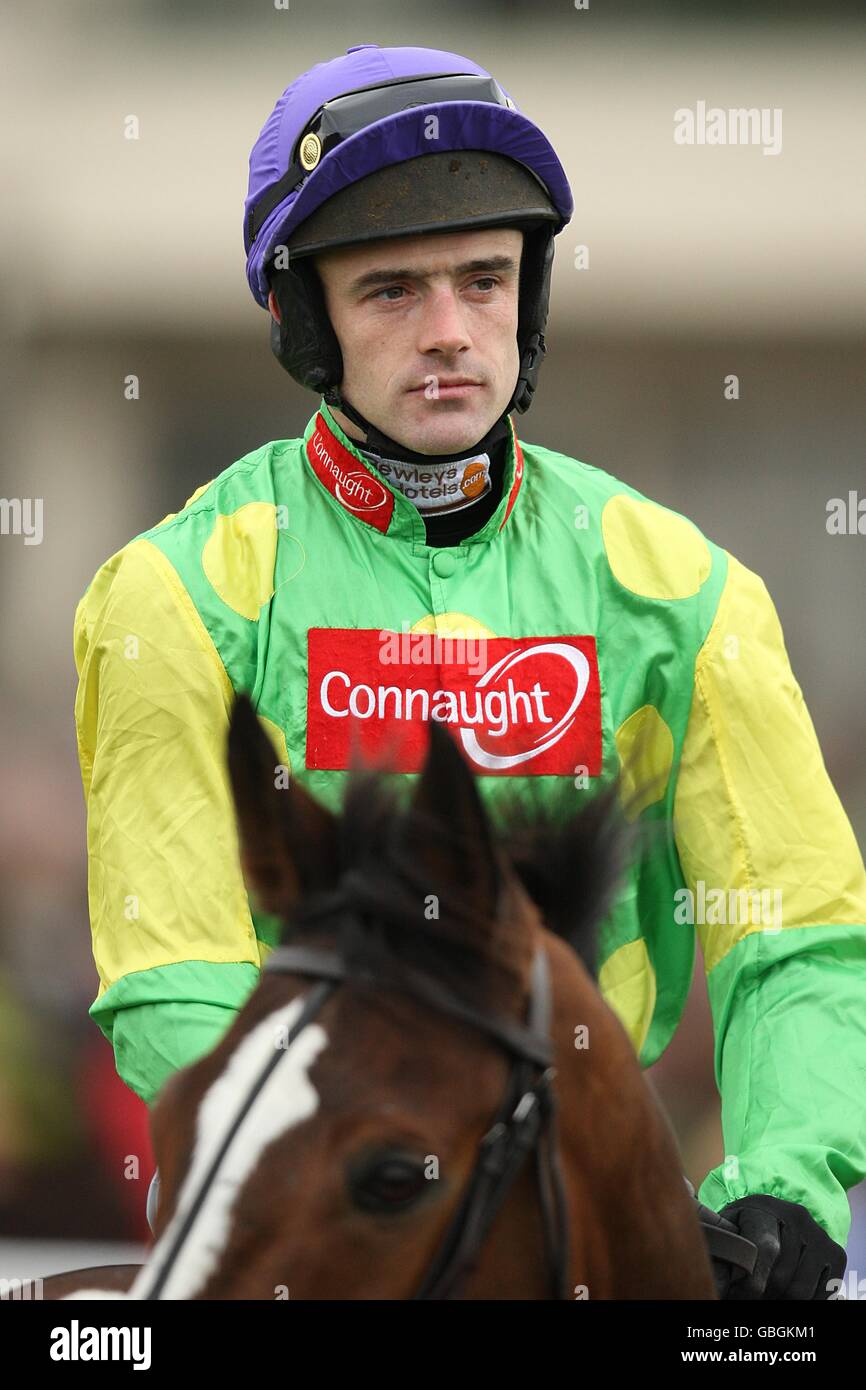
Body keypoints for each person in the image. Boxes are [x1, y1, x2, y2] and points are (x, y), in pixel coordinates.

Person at [73, 44, 866, 1299]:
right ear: (302, 320)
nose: (449, 333)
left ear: (527, 292)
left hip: (586, 1208)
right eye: (389, 289)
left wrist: (784, 1173)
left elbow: (794, 936)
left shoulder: (686, 592)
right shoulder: (173, 595)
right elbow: (176, 973)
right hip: (321, 1230)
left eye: (483, 279)